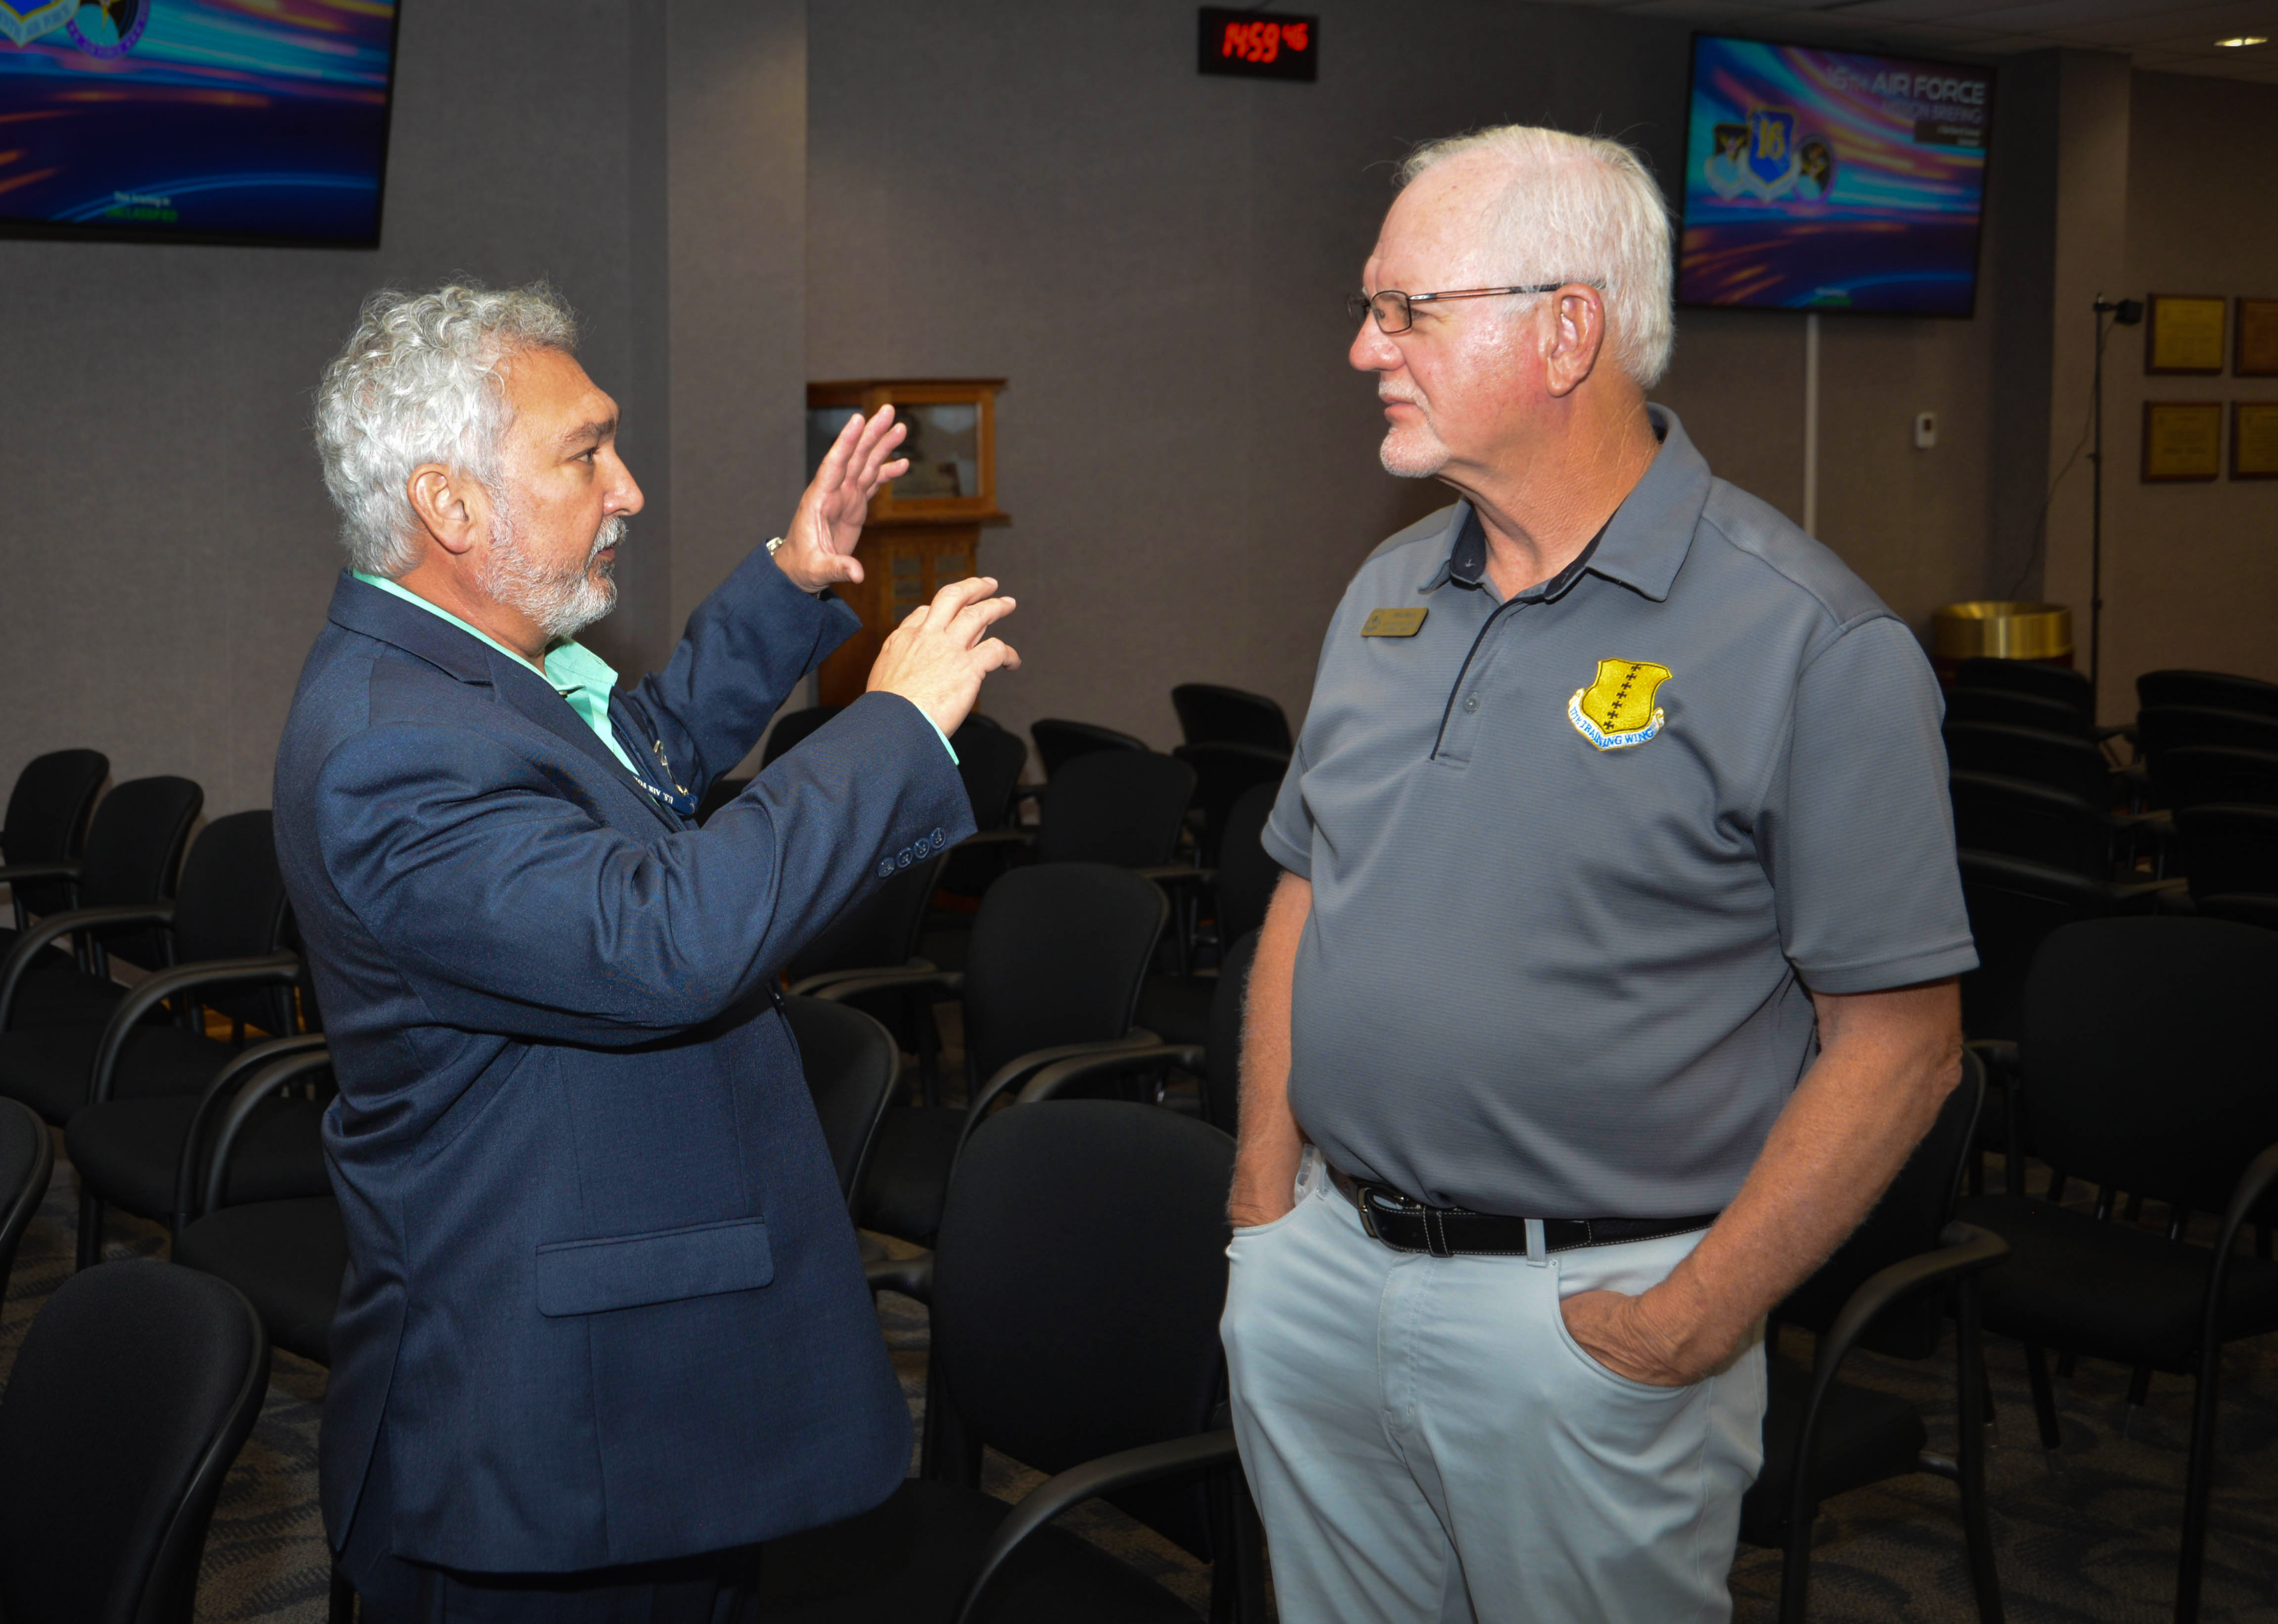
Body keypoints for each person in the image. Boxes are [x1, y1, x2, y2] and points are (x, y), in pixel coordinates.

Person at [1219, 127, 1974, 1623]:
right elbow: (1308, 886)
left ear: (1569, 330)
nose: (1365, 346)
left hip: (1584, 1321)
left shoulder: (1812, 642)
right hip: (1326, 1269)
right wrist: (1263, 1205)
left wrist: (1691, 1320)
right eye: (1371, 306)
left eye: (1407, 309)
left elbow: (1903, 1046)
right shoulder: (1385, 590)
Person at [276, 282, 1019, 1621]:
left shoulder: (470, 673)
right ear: (451, 506)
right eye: (585, 453)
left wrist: (792, 582)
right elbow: (663, 936)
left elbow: (649, 764)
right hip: (551, 1427)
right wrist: (894, 727)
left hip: (625, 1380)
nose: (627, 490)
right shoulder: (399, 746)